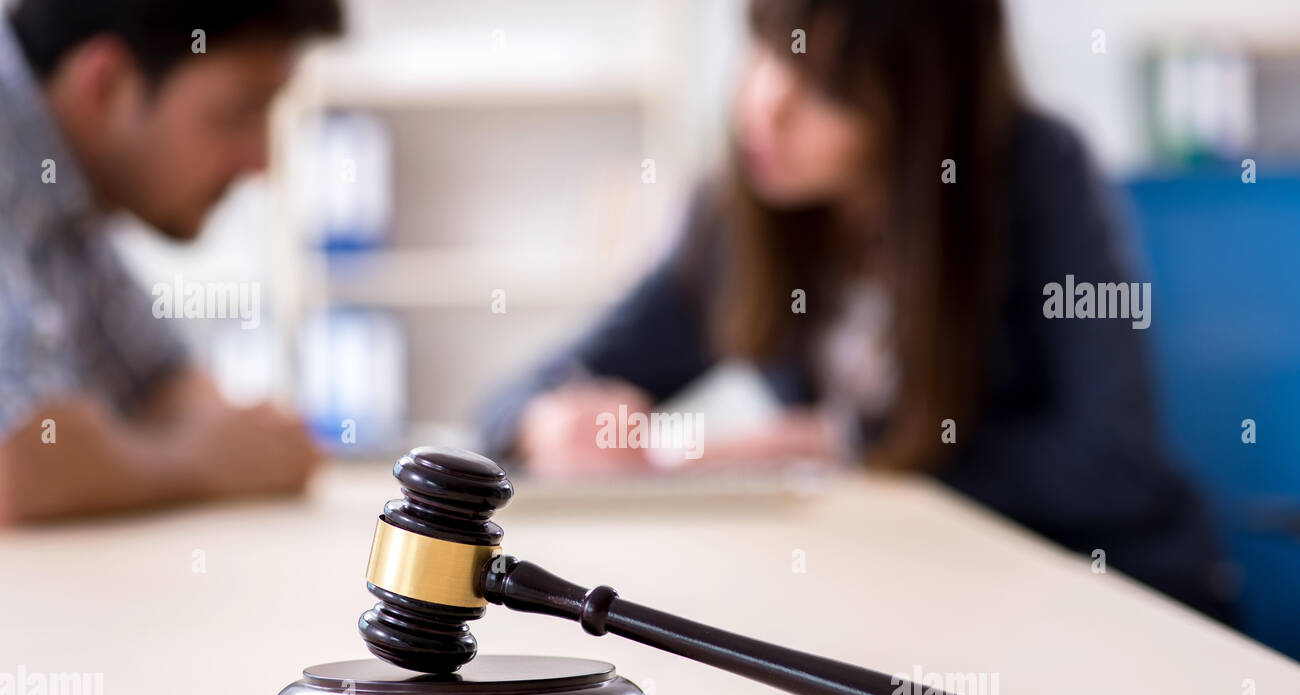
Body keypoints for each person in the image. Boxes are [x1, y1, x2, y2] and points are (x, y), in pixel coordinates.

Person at [479, 0, 1236, 622]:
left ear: (924, 104)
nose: (765, 107)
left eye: (825, 89)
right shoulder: (741, 218)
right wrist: (550, 421)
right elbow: (515, 400)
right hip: (906, 601)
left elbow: (1113, 463)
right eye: (765, 49)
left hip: (1102, 601)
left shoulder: (1039, 177)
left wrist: (837, 442)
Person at [0, 0, 343, 523]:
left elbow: (163, 381)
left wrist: (225, 446)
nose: (263, 163)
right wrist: (205, 463)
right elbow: (14, 463)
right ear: (106, 82)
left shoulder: (65, 197)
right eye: (237, 116)